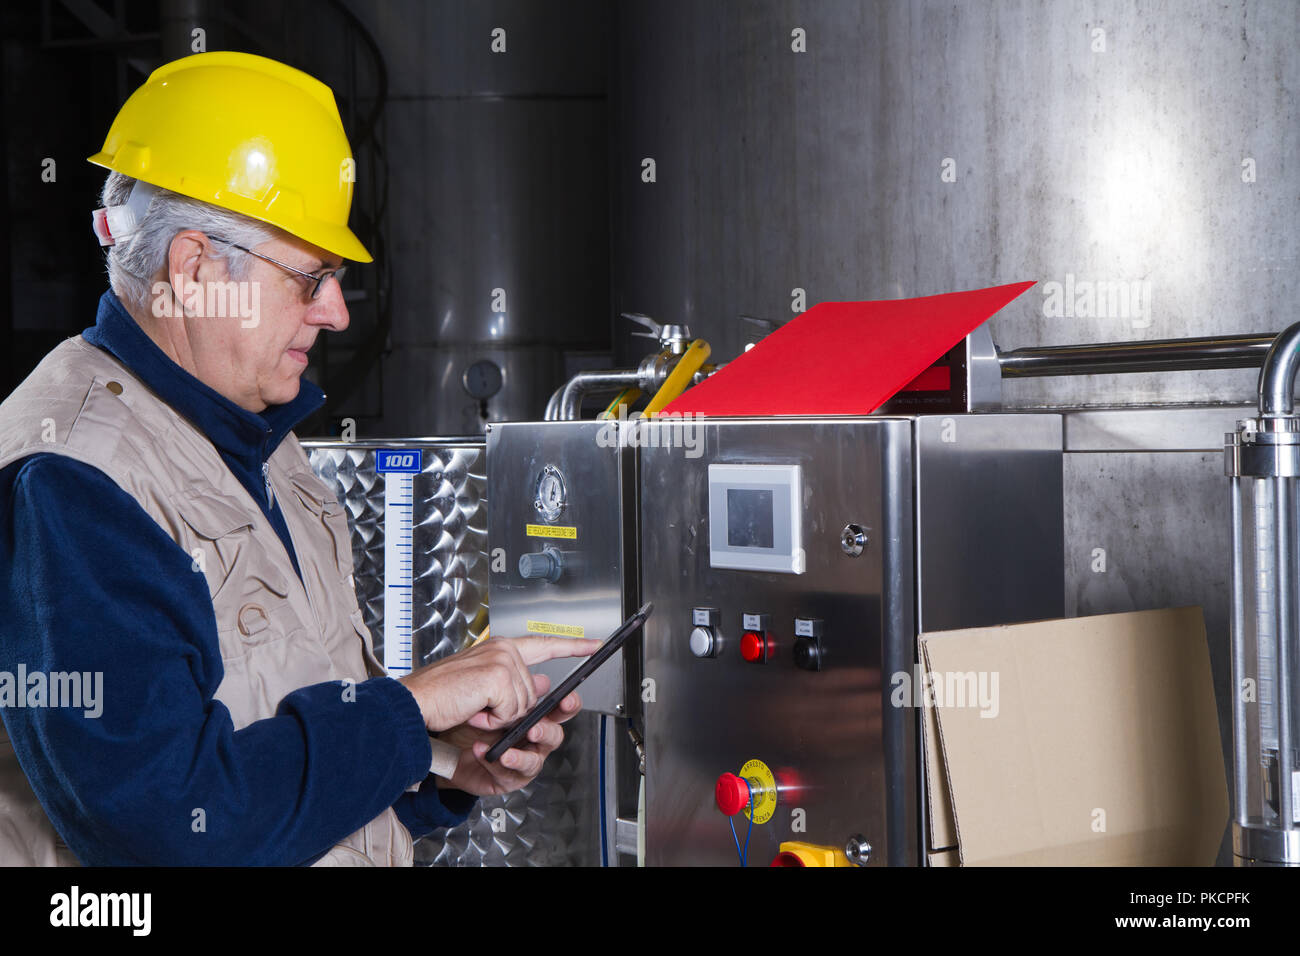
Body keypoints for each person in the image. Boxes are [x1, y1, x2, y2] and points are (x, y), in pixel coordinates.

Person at [0, 51, 599, 866]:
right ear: (197, 268)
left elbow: (277, 763)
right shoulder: (74, 480)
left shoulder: (258, 446)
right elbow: (171, 826)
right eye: (311, 276)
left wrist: (441, 762)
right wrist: (405, 710)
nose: (338, 313)